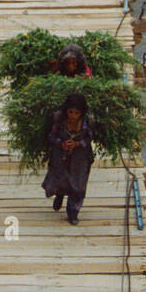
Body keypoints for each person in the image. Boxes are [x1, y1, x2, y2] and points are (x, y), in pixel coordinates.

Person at [41, 91, 94, 225]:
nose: (73, 116)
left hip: (80, 157)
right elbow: (51, 137)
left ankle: (73, 211)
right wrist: (61, 143)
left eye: (77, 113)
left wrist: (77, 143)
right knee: (60, 178)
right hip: (61, 155)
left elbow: (89, 138)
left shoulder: (87, 121)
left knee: (78, 183)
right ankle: (59, 195)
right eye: (71, 112)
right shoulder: (59, 119)